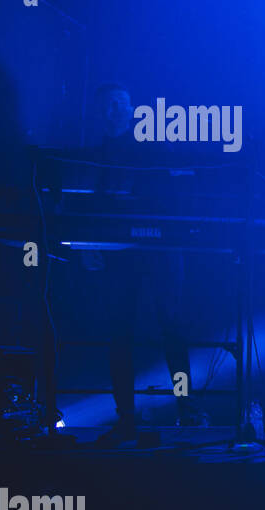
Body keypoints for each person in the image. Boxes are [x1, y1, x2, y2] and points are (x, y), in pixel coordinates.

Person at [81, 82, 194, 445]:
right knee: (120, 334)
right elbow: (90, 205)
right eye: (109, 105)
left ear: (131, 109)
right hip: (121, 251)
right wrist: (90, 244)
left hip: (158, 249)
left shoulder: (151, 148)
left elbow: (170, 200)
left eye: (121, 104)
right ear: (99, 111)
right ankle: (126, 418)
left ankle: (186, 411)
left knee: (172, 328)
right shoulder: (95, 155)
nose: (116, 111)